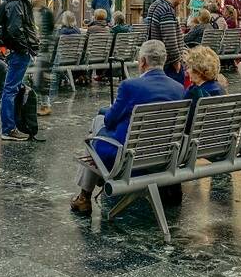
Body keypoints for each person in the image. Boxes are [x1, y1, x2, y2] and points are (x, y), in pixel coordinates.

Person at [70, 39, 185, 214]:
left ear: (143, 62)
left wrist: (104, 112)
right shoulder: (178, 88)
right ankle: (86, 193)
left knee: (97, 124)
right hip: (164, 154)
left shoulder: (130, 86)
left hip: (127, 156)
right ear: (164, 59)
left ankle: (84, 196)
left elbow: (110, 120)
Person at [0, 0, 40, 141]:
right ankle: (8, 129)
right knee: (10, 89)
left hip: (22, 51)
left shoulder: (24, 0)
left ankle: (14, 124)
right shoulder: (18, 3)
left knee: (14, 88)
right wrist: (25, 48)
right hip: (20, 52)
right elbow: (15, 29)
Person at [144, 0, 186, 83]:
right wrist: (176, 61)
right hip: (168, 62)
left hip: (156, 58)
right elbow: (170, 39)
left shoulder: (155, 5)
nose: (182, 1)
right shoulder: (167, 9)